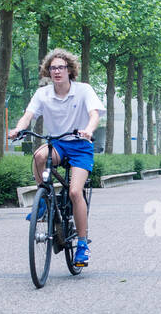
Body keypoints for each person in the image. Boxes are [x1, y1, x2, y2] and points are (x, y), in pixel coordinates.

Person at [8, 49, 102, 268]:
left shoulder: (83, 90)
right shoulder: (43, 94)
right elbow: (28, 115)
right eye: (53, 68)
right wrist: (18, 129)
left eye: (61, 67)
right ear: (48, 72)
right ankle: (44, 199)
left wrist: (88, 129)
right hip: (58, 144)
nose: (57, 71)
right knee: (39, 156)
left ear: (70, 70)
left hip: (80, 145)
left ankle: (81, 245)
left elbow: (94, 114)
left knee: (74, 191)